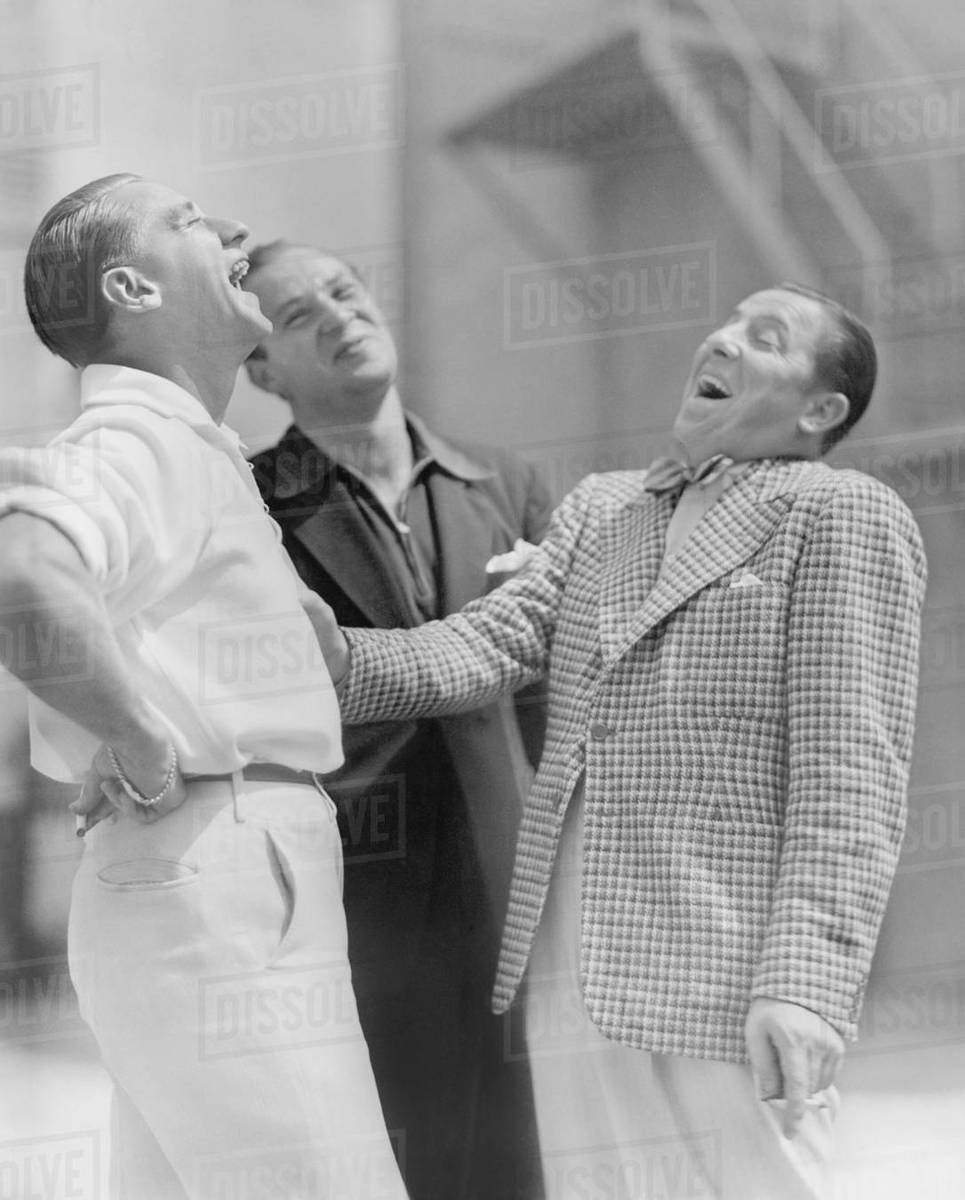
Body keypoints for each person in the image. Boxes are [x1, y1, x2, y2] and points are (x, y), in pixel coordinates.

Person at [307, 284, 927, 1200]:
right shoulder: (607, 509)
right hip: (575, 953)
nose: (721, 339)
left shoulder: (842, 515)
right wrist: (334, 653)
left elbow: (852, 774)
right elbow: (487, 640)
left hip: (726, 959)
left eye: (762, 339)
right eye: (725, 323)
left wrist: (804, 984)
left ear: (819, 410)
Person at [0, 176, 407, 1200]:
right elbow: (20, 576)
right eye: (187, 222)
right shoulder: (140, 436)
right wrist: (136, 735)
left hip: (205, 875)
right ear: (133, 288)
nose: (228, 230)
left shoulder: (191, 447)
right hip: (212, 866)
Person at [243, 240, 549, 1200]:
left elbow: (549, 704)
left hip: (506, 890)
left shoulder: (503, 484)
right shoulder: (247, 504)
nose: (339, 316)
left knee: (511, 1165)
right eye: (299, 315)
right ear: (260, 369)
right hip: (352, 900)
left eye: (345, 291)